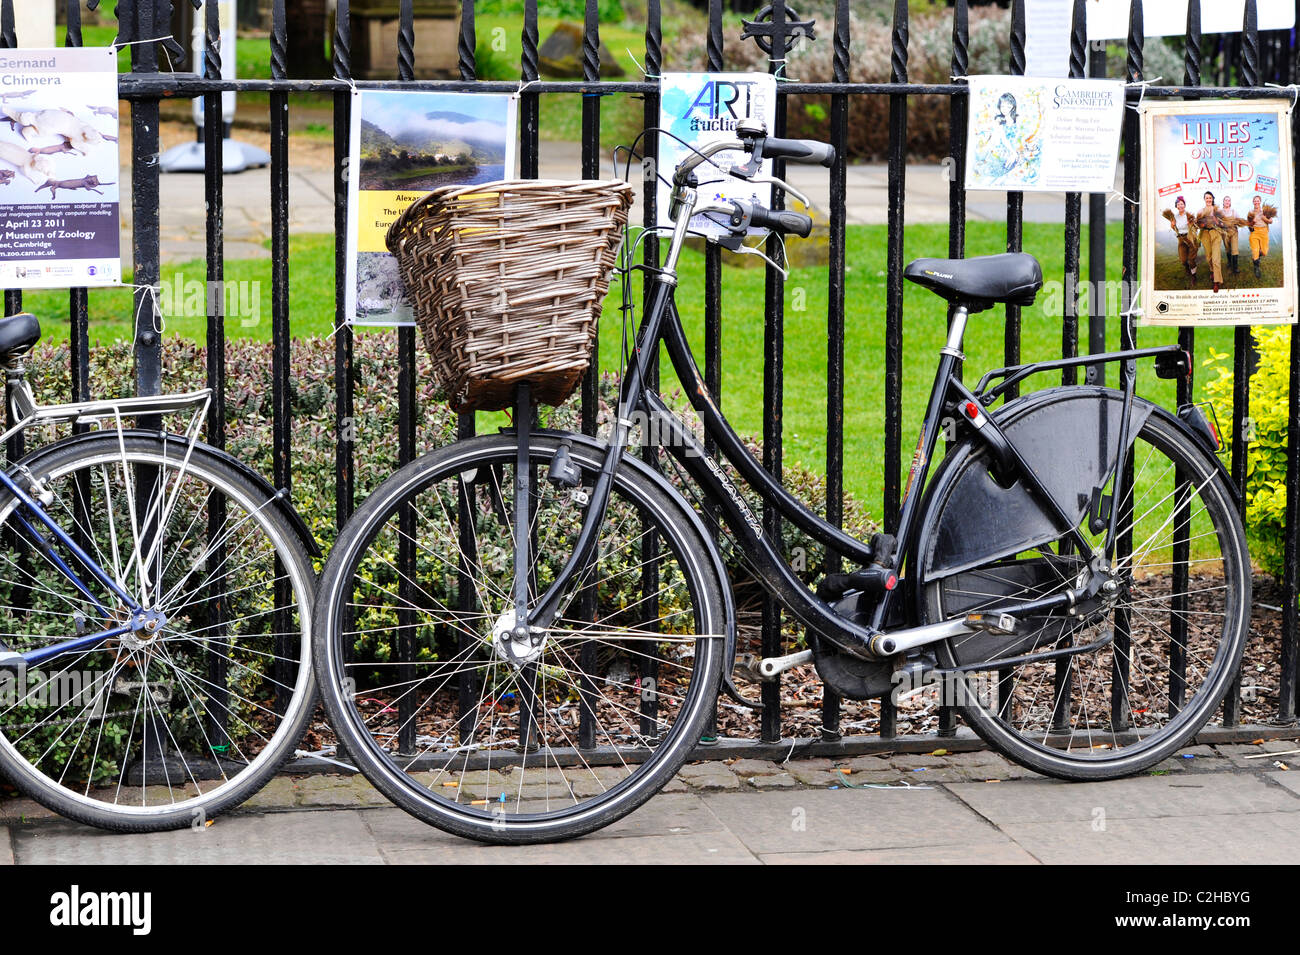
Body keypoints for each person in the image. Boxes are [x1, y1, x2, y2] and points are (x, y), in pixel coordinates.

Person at [1162, 195, 1199, 286]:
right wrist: (1172, 224)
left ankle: (1193, 276)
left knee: (1191, 260)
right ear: (1176, 206)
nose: (1180, 205)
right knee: (1183, 260)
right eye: (1178, 204)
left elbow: (1196, 227)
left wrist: (1191, 223)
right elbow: (1173, 227)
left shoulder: (1189, 215)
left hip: (1190, 238)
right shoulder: (1175, 216)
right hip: (1181, 239)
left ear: (1184, 205)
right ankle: (1187, 268)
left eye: (1182, 204)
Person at [1194, 191, 1227, 292]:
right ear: (1204, 199)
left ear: (1212, 199)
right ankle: (1212, 271)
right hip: (1205, 235)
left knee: (1216, 259)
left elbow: (1223, 224)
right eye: (1206, 198)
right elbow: (1198, 224)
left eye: (1210, 198)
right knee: (1209, 257)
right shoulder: (1200, 211)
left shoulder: (1217, 210)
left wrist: (1217, 221)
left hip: (1216, 233)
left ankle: (1216, 282)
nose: (1208, 200)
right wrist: (1201, 225)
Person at [1246, 194, 1276, 279]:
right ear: (1253, 202)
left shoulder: (1265, 210)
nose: (1256, 202)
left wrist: (1264, 218)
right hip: (1254, 232)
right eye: (1255, 200)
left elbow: (1270, 221)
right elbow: (1248, 224)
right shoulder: (1251, 212)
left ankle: (1257, 257)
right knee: (1255, 250)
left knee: (1264, 252)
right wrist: (1253, 222)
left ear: (1260, 201)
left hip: (1264, 232)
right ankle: (1256, 267)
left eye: (1257, 200)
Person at [1219, 195, 1247, 275]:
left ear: (1230, 202)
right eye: (1225, 200)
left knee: (1234, 249)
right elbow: (1217, 222)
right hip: (1225, 233)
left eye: (1228, 200)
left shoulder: (1234, 211)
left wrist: (1241, 223)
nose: (1227, 202)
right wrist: (1221, 224)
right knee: (1227, 248)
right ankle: (1229, 262)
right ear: (1223, 202)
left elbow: (1239, 220)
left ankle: (1235, 267)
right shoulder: (1220, 212)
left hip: (1234, 232)